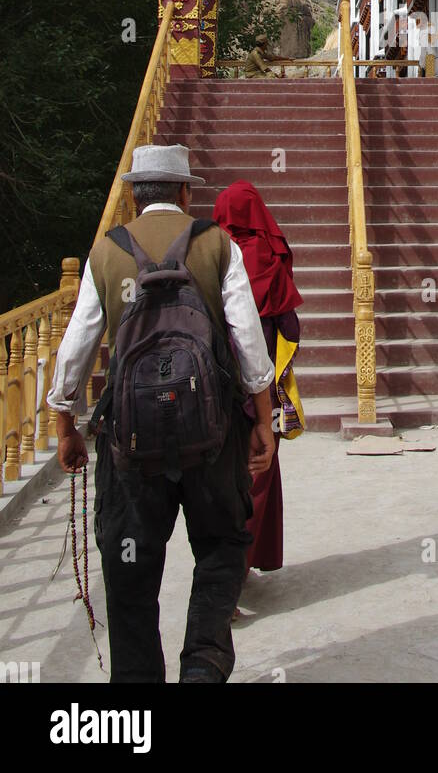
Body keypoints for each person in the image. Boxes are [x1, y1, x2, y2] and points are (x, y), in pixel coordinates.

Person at [47, 144, 276, 684]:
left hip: (131, 442)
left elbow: (77, 346)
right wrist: (262, 420)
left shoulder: (107, 252)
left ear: (134, 194)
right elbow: (248, 341)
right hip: (211, 432)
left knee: (129, 565)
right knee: (221, 547)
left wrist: (65, 424)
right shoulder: (216, 245)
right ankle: (203, 664)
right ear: (184, 192)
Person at [213, 181, 303, 579]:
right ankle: (235, 573)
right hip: (262, 386)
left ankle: (230, 567)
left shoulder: (210, 255)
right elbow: (290, 325)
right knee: (259, 474)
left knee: (219, 481)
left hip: (216, 386)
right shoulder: (268, 256)